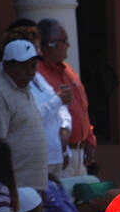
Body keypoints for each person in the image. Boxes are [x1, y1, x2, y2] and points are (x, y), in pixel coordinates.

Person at [0, 39, 48, 196]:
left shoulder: (24, 86)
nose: (30, 71)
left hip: (34, 186)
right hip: (16, 188)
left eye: (33, 65)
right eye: (23, 66)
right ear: (7, 65)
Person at [36, 19, 94, 177]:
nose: (68, 45)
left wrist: (89, 138)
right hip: (61, 154)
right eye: (64, 41)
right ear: (51, 44)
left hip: (81, 153)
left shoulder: (68, 70)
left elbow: (82, 108)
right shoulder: (37, 75)